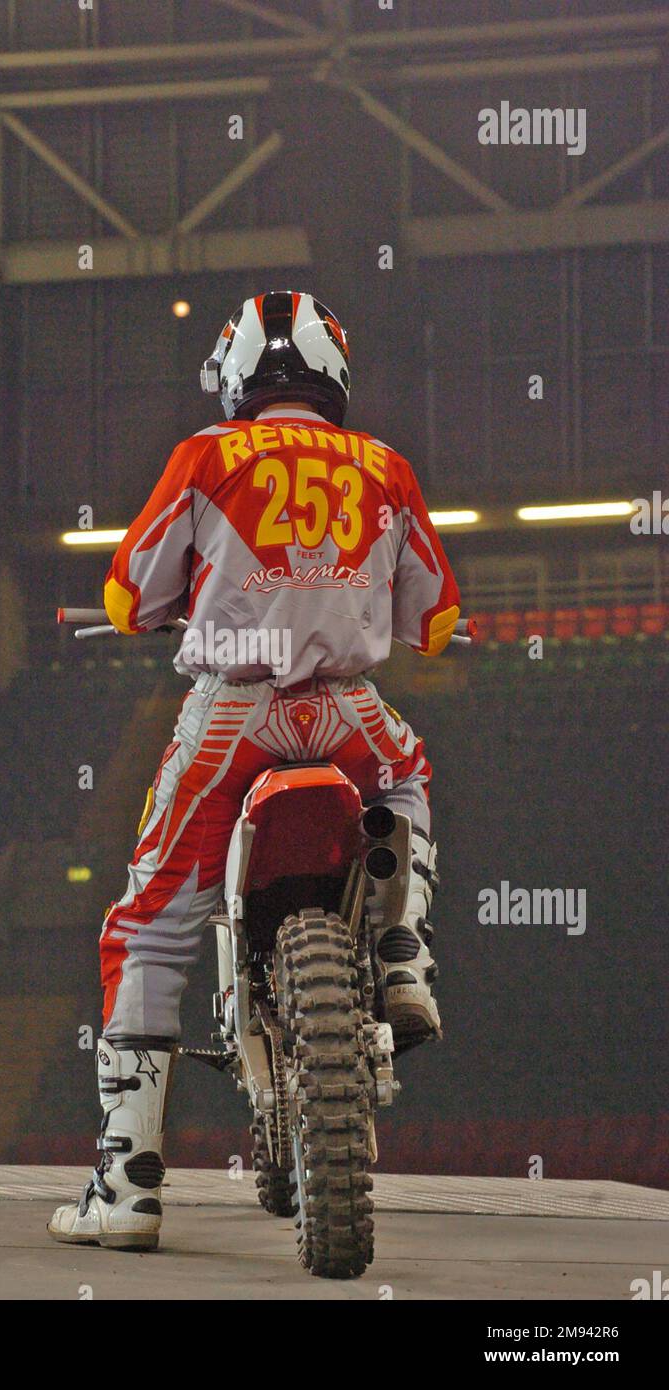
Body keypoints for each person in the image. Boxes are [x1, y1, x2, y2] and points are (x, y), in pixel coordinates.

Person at [48, 291, 460, 1249]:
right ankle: (403, 951)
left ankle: (127, 1190)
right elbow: (433, 620)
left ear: (238, 376)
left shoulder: (205, 455)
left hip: (234, 719)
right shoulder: (386, 467)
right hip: (347, 715)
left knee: (146, 931)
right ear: (333, 373)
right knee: (408, 776)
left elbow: (124, 595)